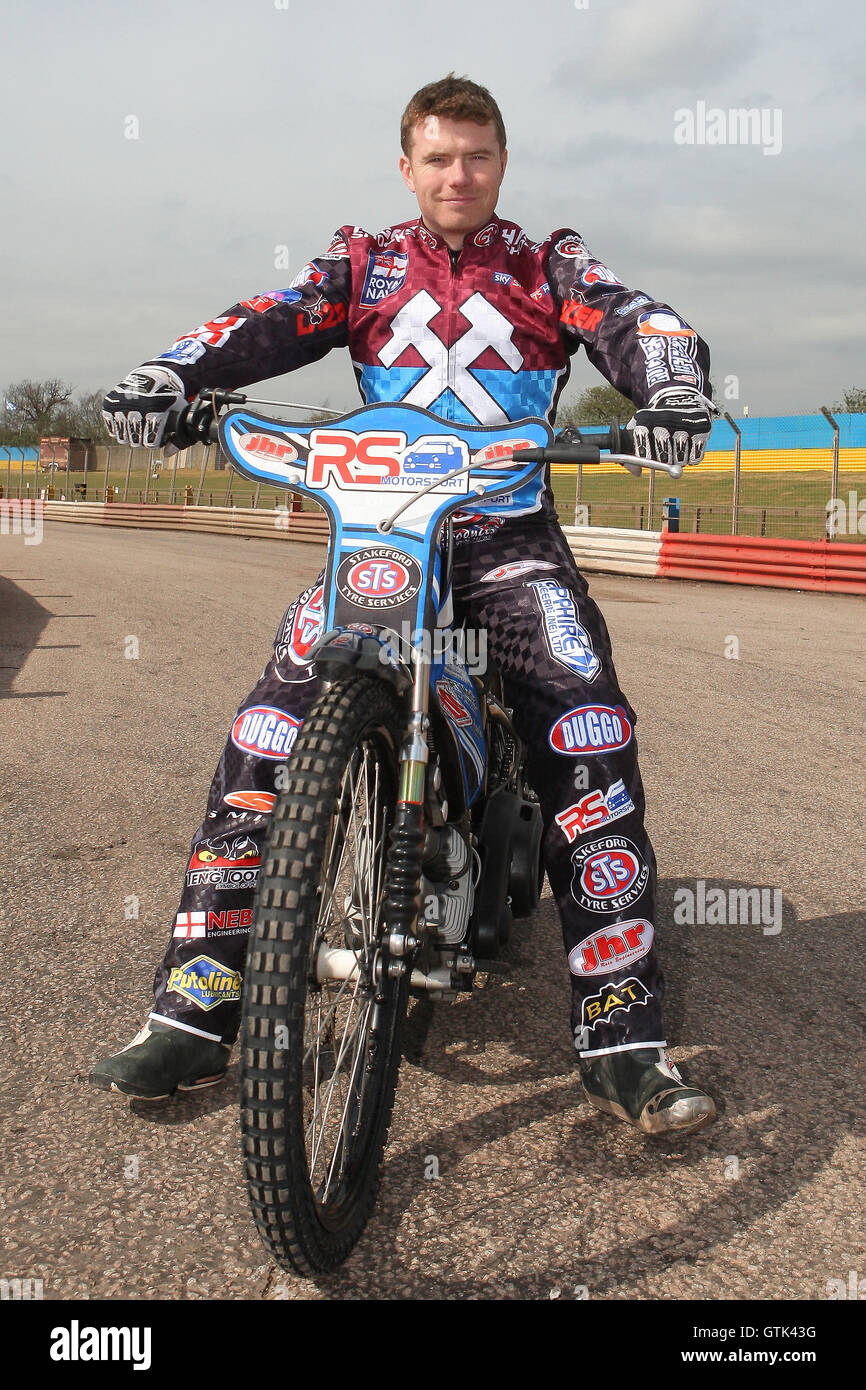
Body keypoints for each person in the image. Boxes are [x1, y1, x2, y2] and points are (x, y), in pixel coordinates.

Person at [92, 74, 717, 1136]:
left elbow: (635, 319)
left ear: (500, 162)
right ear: (406, 167)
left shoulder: (549, 261)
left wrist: (673, 389)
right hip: (379, 543)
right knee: (264, 734)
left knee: (587, 729)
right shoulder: (361, 263)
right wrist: (169, 375)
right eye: (436, 158)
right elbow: (269, 317)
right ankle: (193, 1012)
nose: (456, 175)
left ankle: (621, 1036)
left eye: (474, 155)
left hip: (506, 546)